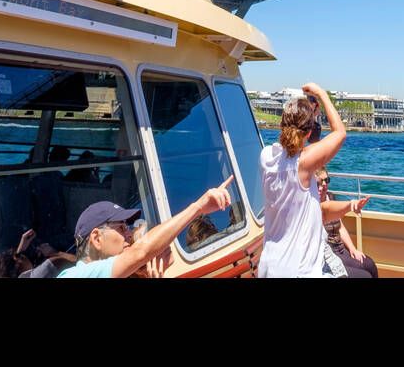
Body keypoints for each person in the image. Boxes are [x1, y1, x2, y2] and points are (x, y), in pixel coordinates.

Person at [57, 176, 233, 278]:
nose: (129, 234)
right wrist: (198, 207)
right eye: (121, 228)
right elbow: (140, 252)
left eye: (129, 226)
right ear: (97, 238)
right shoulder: (76, 275)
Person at [258, 82, 348, 277]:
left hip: (268, 267)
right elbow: (339, 133)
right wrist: (323, 95)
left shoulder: (266, 157)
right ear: (308, 133)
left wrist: (307, 116)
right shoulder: (304, 163)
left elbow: (292, 147)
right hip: (297, 270)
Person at [315, 167, 378, 278]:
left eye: (326, 180)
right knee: (365, 274)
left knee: (370, 264)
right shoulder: (312, 203)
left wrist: (353, 249)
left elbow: (340, 227)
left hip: (341, 248)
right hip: (330, 252)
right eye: (319, 182)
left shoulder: (331, 197)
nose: (324, 184)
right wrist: (349, 205)